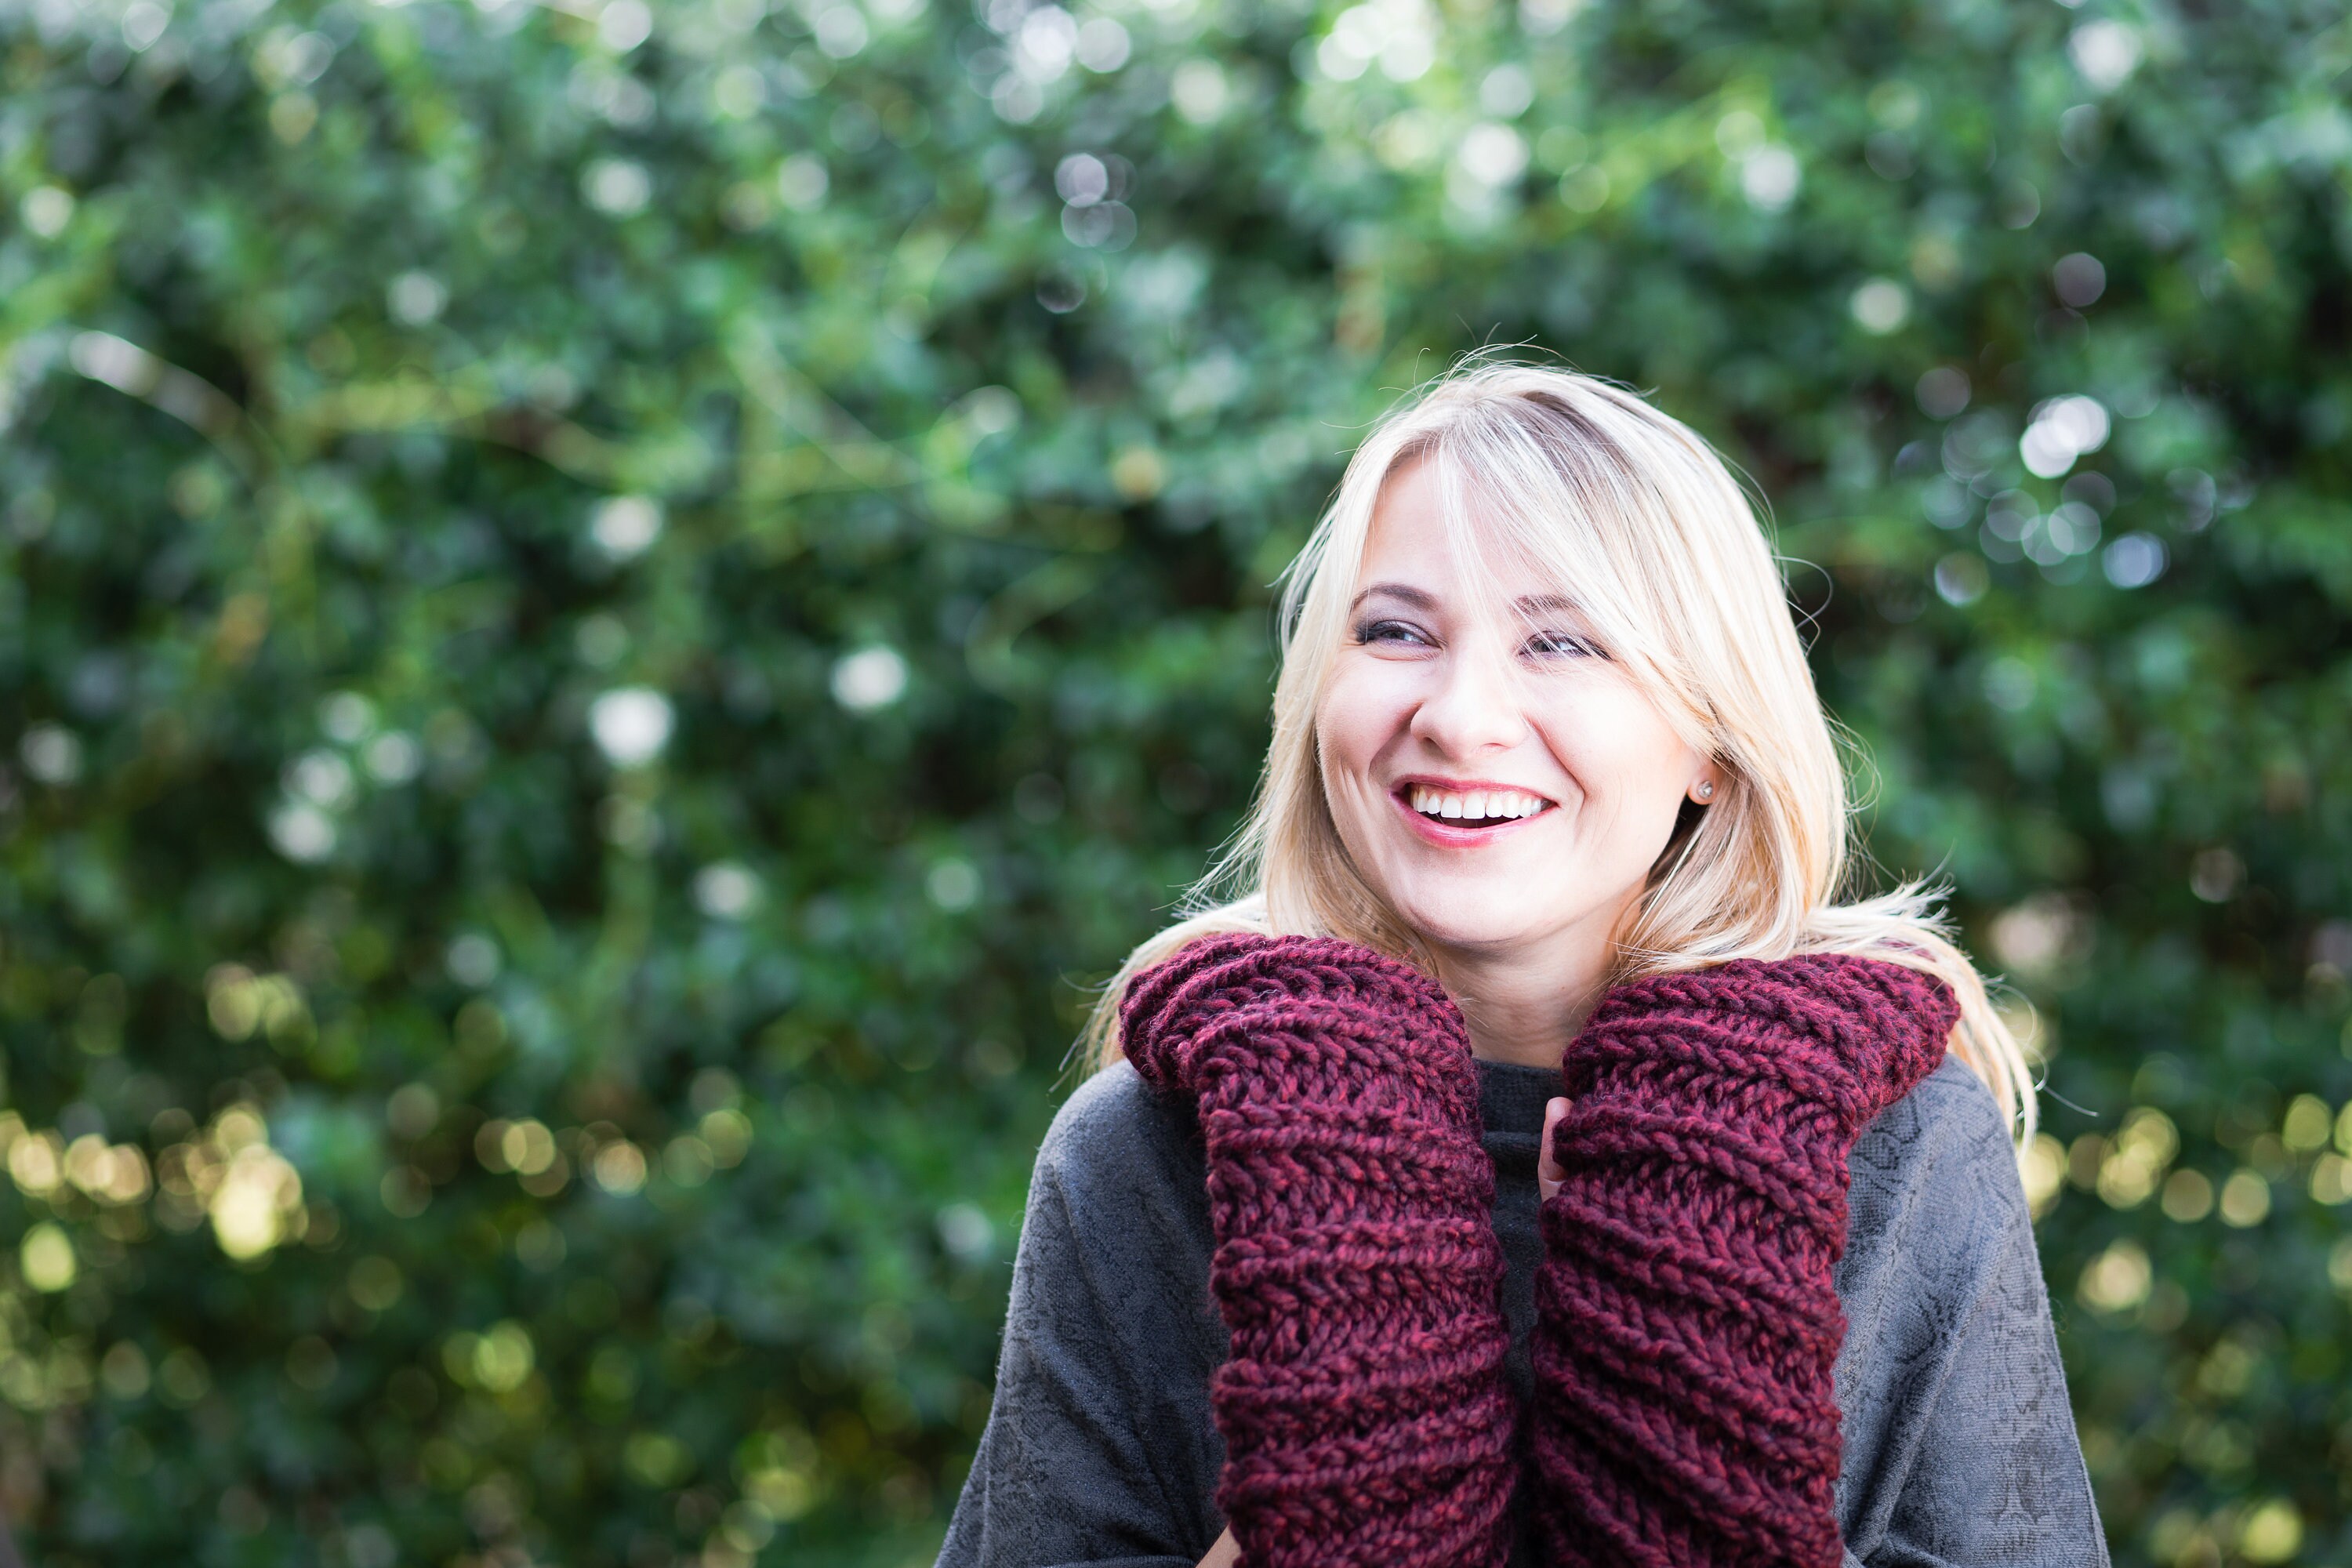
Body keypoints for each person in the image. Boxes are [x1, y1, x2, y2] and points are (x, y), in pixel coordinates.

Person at [936, 361, 2109, 1567]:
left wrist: (1679, 1381)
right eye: (1395, 630)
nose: (1460, 714)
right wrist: (1348, 1433)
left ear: (1710, 738)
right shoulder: (1146, 1145)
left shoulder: (1902, 1145)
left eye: (1561, 642)